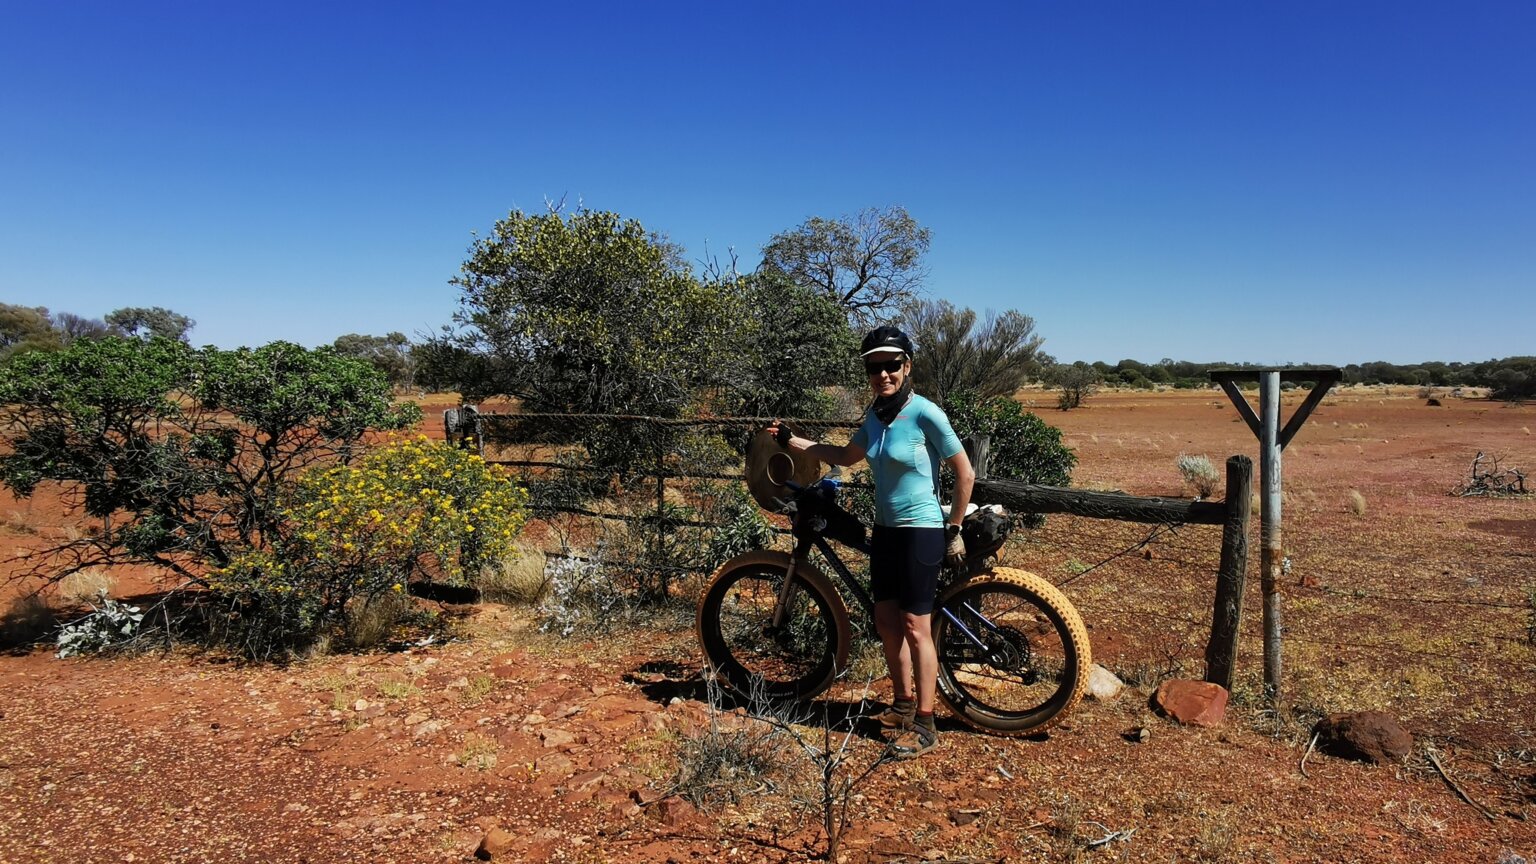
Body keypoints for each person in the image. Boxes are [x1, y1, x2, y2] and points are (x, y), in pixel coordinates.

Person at [766, 325, 974, 758]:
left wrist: (952, 528)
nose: (883, 374)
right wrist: (792, 440)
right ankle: (900, 705)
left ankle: (926, 722)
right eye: (874, 368)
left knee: (917, 628)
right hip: (886, 531)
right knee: (885, 622)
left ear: (907, 366)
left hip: (921, 530)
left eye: (891, 366)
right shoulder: (875, 418)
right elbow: (845, 455)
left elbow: (964, 473)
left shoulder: (925, 413)